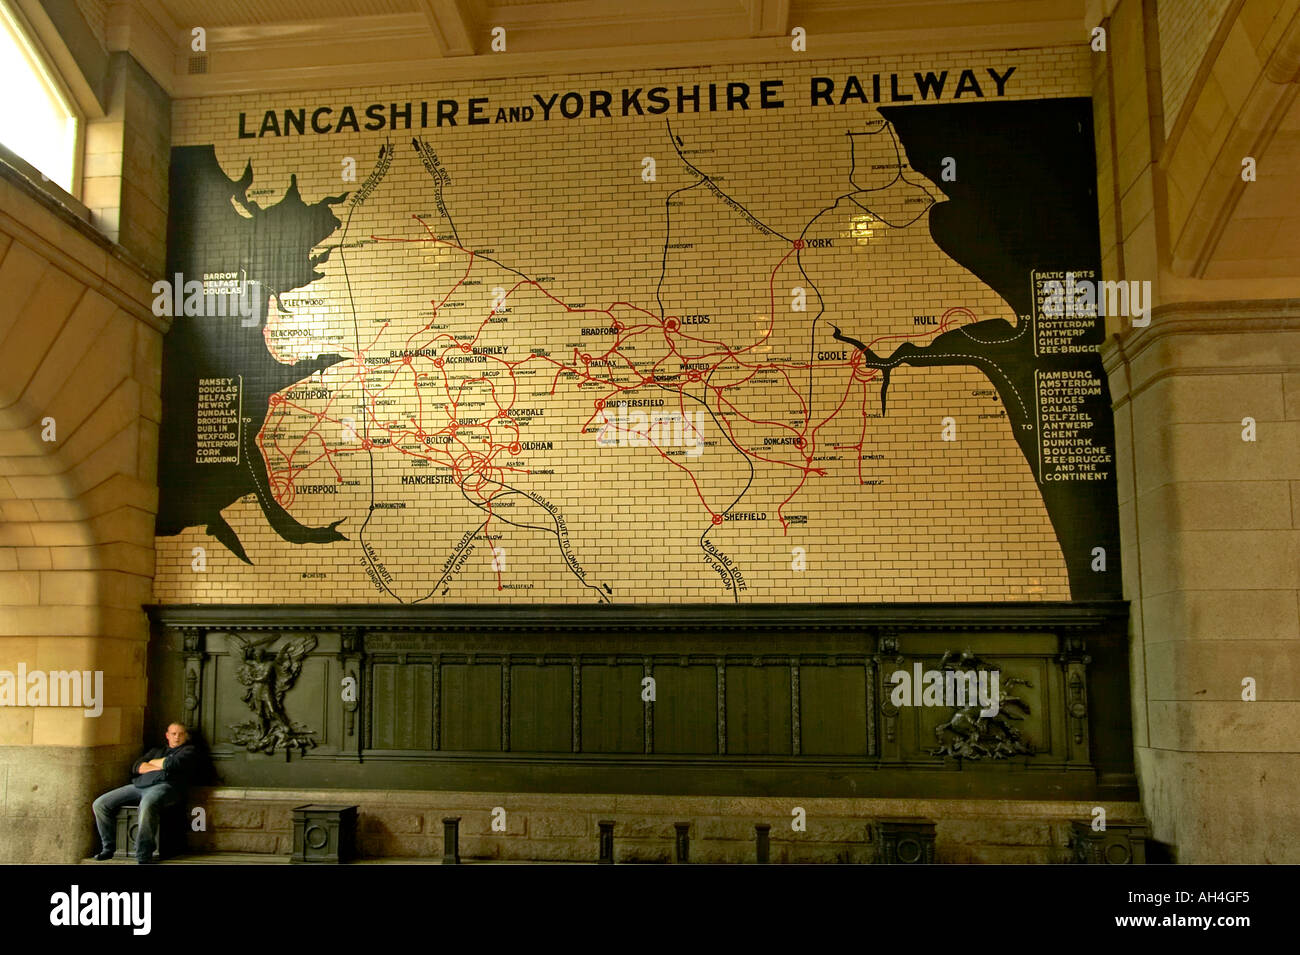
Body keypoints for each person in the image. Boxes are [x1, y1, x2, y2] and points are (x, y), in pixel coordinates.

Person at [92, 722, 201, 863]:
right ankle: (108, 847)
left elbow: (171, 764)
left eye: (180, 734)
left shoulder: (189, 751)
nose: (177, 737)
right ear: (167, 735)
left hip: (164, 787)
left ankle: (143, 854)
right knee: (100, 804)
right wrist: (160, 765)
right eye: (173, 734)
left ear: (186, 736)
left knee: (148, 804)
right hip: (139, 785)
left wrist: (153, 764)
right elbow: (137, 767)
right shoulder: (156, 751)